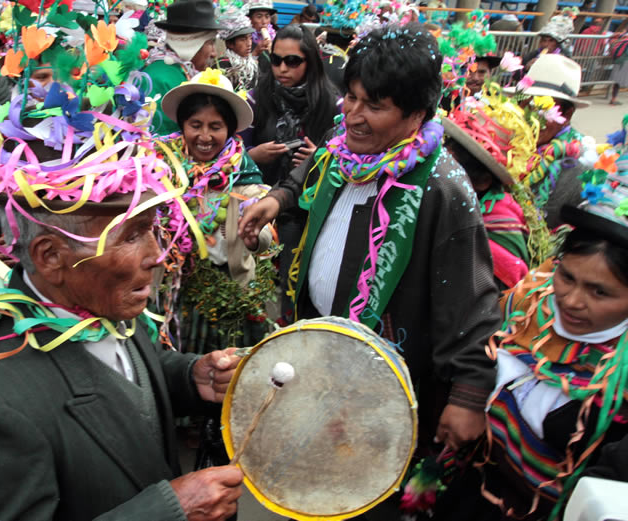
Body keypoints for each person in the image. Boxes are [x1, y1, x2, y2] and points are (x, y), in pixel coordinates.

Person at [0, 111, 244, 521]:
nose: (156, 255)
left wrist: (187, 377)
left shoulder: (101, 302)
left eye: (152, 230)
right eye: (131, 235)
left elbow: (120, 379)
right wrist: (167, 512)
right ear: (51, 256)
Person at [240, 24, 501, 468]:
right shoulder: (343, 146)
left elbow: (471, 299)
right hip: (318, 345)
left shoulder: (442, 188)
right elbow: (312, 171)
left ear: (417, 114)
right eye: (352, 97)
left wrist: (469, 395)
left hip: (383, 378)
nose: (354, 115)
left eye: (375, 106)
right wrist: (279, 197)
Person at [433, 155, 628, 521]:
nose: (571, 301)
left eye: (600, 292)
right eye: (567, 277)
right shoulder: (528, 301)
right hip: (466, 492)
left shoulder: (621, 373)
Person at [157, 69, 274, 351]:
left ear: (230, 130)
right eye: (195, 125)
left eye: (215, 126)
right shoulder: (164, 169)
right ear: (182, 125)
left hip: (230, 289)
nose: (205, 136)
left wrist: (254, 236)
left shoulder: (243, 175)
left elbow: (264, 229)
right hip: (177, 287)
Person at [240, 23, 339, 324]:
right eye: (276, 60)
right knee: (251, 287)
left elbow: (345, 159)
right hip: (257, 202)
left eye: (293, 61)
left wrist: (317, 160)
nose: (282, 68)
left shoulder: (333, 104)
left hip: (306, 212)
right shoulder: (256, 99)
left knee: (294, 287)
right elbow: (230, 155)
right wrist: (253, 155)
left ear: (311, 61)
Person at [442, 110, 530, 290]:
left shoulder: (498, 229)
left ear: (483, 182)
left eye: (450, 173)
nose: (436, 177)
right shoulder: (455, 203)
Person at [505, 54, 590, 229]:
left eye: (543, 110)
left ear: (567, 115)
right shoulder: (505, 140)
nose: (532, 119)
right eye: (527, 106)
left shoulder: (577, 164)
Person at [143, 0, 224, 135]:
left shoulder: (180, 71)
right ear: (191, 45)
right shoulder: (160, 80)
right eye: (210, 43)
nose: (214, 53)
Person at [216, 7, 259, 91]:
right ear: (230, 44)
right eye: (243, 39)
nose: (249, 43)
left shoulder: (252, 65)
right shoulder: (221, 65)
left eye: (250, 38)